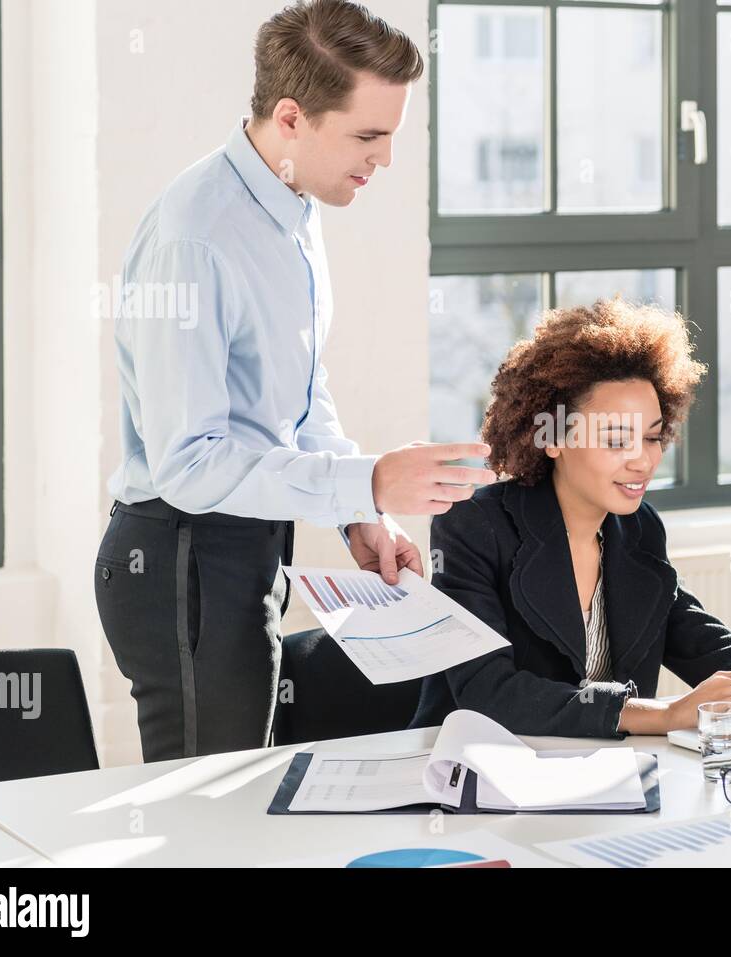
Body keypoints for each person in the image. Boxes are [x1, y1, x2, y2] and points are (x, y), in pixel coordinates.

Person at [95, 0, 494, 762]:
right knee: (211, 816)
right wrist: (370, 478)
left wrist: (357, 511)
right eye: (368, 136)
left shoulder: (293, 204)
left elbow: (302, 399)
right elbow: (190, 463)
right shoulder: (198, 236)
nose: (383, 161)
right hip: (179, 557)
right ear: (291, 118)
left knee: (245, 788)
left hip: (246, 545)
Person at [411, 299, 731, 738]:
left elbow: (694, 634)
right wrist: (663, 715)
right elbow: (488, 693)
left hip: (601, 775)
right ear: (553, 437)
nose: (643, 460)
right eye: (617, 439)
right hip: (475, 772)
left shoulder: (637, 529)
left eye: (653, 437)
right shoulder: (474, 526)